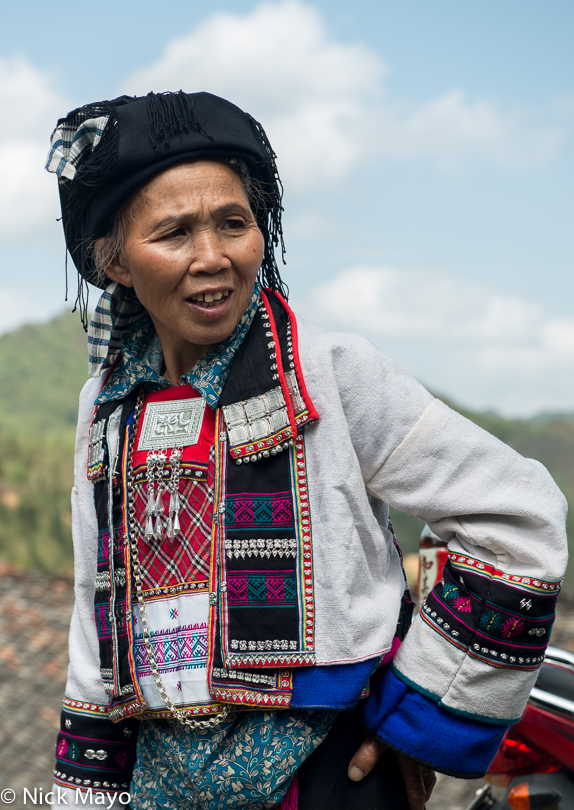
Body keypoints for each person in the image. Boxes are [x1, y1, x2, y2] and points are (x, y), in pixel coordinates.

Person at [45, 91, 567, 810]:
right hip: (160, 784)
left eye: (234, 223)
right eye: (173, 233)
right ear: (115, 261)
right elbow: (94, 602)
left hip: (327, 777)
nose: (213, 257)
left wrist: (416, 721)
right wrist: (91, 788)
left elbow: (519, 517)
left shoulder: (333, 373)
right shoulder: (104, 407)